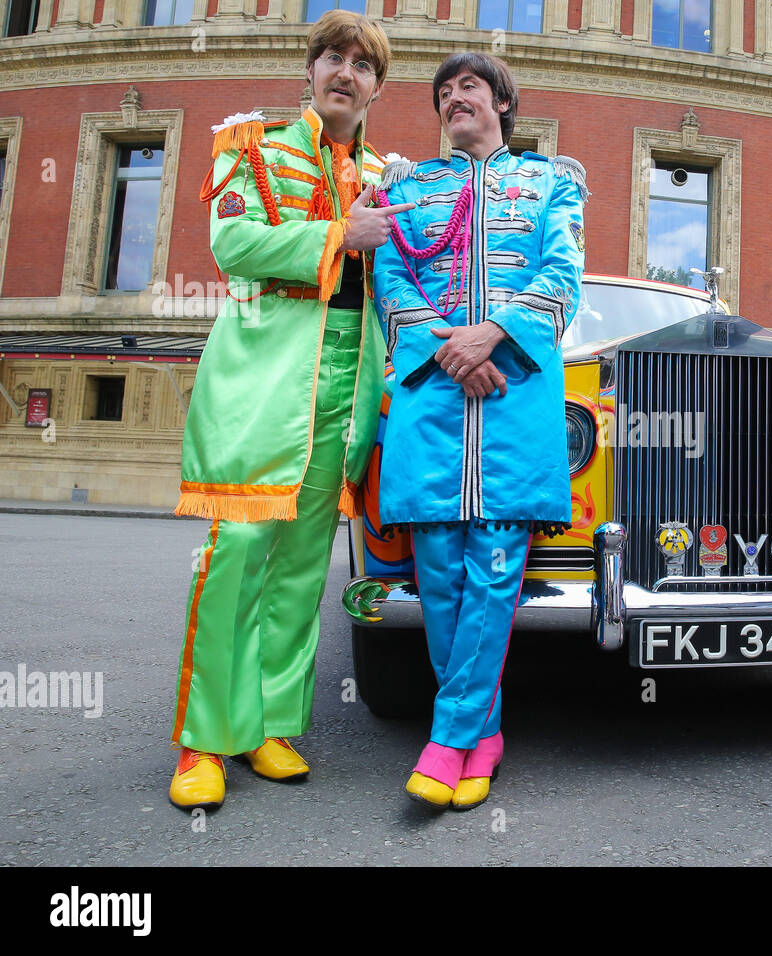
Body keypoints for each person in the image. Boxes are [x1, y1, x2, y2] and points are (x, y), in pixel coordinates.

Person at [167, 10, 412, 811]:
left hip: (348, 379)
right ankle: (204, 740)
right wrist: (345, 231)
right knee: (238, 548)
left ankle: (267, 726)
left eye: (363, 66)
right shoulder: (254, 148)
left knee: (305, 561)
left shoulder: (386, 172)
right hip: (268, 376)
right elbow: (231, 248)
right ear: (310, 71)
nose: (346, 74)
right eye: (333, 59)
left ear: (378, 85)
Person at [372, 52, 585, 811]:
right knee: (438, 577)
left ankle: (447, 738)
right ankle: (481, 734)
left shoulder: (553, 180)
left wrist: (490, 334)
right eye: (443, 93)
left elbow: (562, 274)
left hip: (515, 389)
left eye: (469, 87)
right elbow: (389, 278)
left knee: (494, 571)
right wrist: (447, 348)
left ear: (503, 102)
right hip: (433, 392)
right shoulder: (409, 188)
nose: (454, 98)